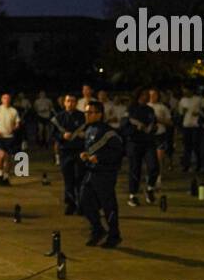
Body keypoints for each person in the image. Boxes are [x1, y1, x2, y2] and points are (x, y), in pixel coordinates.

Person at [78, 100, 124, 247]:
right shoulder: (89, 130)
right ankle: (97, 229)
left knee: (108, 205)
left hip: (105, 173)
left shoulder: (109, 132)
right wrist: (85, 156)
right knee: (84, 201)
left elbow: (118, 152)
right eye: (86, 112)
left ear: (99, 114)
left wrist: (100, 158)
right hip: (91, 171)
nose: (87, 115)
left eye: (90, 112)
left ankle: (114, 235)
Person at [51, 93, 86, 214]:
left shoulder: (83, 116)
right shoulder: (59, 117)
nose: (70, 103)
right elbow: (53, 134)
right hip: (65, 151)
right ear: (64, 103)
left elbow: (90, 130)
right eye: (68, 101)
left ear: (76, 103)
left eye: (73, 101)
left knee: (80, 178)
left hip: (80, 150)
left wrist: (84, 135)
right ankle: (70, 203)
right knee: (68, 178)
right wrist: (62, 136)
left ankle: (81, 204)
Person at [124, 86, 159, 206]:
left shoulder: (150, 110)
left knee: (154, 166)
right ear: (139, 95)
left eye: (148, 94)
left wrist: (154, 128)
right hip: (134, 143)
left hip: (148, 142)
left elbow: (154, 123)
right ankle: (133, 195)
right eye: (145, 94)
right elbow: (124, 126)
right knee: (135, 169)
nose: (147, 96)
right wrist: (135, 129)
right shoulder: (131, 109)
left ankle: (150, 189)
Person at [0, 92, 20, 186]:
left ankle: (6, 177)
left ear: (10, 100)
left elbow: (17, 123)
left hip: (9, 138)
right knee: (1, 155)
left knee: (8, 158)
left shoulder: (13, 111)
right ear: (1, 100)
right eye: (4, 98)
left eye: (8, 98)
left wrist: (14, 128)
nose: (6, 100)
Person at [176, 85, 204, 174]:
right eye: (184, 91)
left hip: (196, 125)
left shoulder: (199, 99)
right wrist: (183, 112)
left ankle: (199, 165)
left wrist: (199, 114)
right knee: (187, 147)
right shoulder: (182, 100)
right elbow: (180, 113)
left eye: (187, 91)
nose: (185, 93)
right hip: (186, 125)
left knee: (196, 146)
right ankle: (186, 165)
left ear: (191, 91)